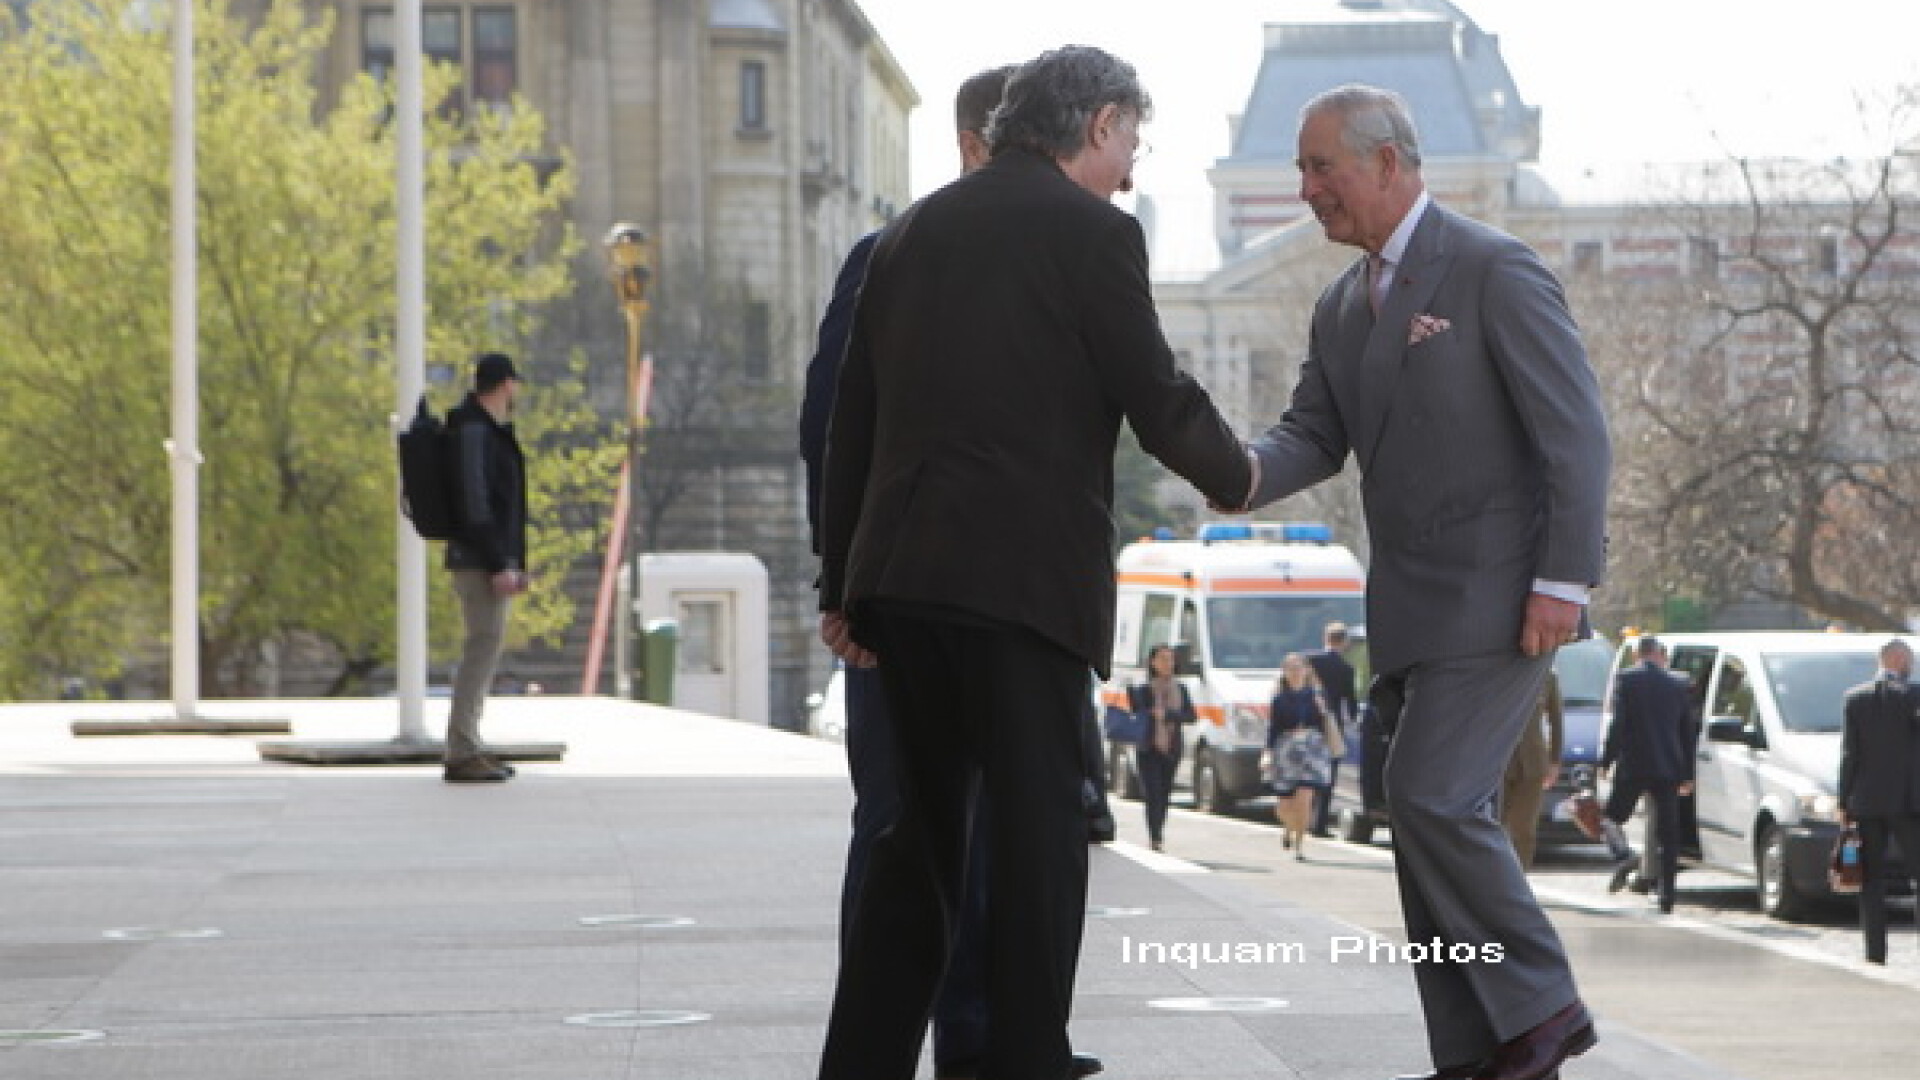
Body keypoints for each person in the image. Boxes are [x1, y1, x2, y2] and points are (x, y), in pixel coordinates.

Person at [814, 45, 1253, 1080]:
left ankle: (860, 1065)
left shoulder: (912, 231)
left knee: (911, 844)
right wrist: (1237, 476)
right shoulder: (1094, 234)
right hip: (1020, 591)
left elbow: (852, 422)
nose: (1132, 171)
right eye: (1130, 143)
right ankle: (1025, 1057)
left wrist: (842, 584)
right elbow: (1157, 394)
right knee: (1039, 835)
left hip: (904, 584)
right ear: (1097, 124)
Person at [1241, 84, 1611, 1080]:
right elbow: (1310, 436)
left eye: (1323, 168)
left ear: (1389, 165)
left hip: (1503, 600)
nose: (1307, 189)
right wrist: (1226, 470)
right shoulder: (1338, 304)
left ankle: (1544, 1007)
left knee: (1433, 798)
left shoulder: (1494, 269)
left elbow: (1574, 434)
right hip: (1406, 609)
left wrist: (1563, 582)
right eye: (1301, 171)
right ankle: (1477, 1050)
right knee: (1414, 822)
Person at [800, 64, 1106, 1080]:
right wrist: (845, 589)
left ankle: (985, 1047)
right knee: (912, 837)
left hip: (983, 598)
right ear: (984, 145)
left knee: (986, 838)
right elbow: (837, 429)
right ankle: (939, 1050)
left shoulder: (1029, 255)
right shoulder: (893, 253)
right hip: (907, 611)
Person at [442, 352, 530, 785]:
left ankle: (468, 743)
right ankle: (461, 748)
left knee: (485, 646)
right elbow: (477, 502)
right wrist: (499, 563)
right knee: (482, 647)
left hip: (484, 557)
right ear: (506, 385)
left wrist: (512, 561)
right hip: (478, 559)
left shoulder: (479, 429)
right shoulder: (475, 431)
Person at [1838, 638, 1920, 965]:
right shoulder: (1914, 696)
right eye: (1910, 659)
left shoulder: (1854, 699)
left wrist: (1843, 800)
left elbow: (1849, 755)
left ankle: (1874, 952)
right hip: (1909, 801)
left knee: (1870, 879)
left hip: (1867, 801)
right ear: (1898, 659)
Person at [1597, 637, 1693, 912]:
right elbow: (1687, 732)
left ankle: (1623, 856)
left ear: (1637, 655)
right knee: (1668, 833)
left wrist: (1607, 760)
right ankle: (1667, 894)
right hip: (1668, 766)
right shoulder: (1678, 684)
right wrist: (1687, 774)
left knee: (1612, 818)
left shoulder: (1626, 680)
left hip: (1634, 765)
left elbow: (1619, 725)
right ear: (1660, 654)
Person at [1267, 652, 1337, 861]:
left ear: (1307, 671)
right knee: (1285, 805)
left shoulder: (1317, 695)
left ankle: (1300, 845)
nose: (1296, 672)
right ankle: (1289, 827)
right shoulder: (1279, 699)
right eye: (1291, 668)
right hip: (1286, 750)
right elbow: (1273, 729)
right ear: (1285, 673)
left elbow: (1327, 722)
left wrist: (1324, 710)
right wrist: (1267, 753)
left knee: (1305, 798)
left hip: (1312, 749)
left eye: (1299, 668)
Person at [1127, 644, 1194, 852]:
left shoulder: (1181, 688)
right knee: (1152, 793)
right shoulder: (1143, 688)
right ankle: (1154, 837)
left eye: (1170, 659)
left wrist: (1167, 715)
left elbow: (1191, 716)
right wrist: (1146, 708)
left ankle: (1159, 832)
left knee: (1164, 794)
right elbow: (1136, 714)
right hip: (1148, 747)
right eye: (1163, 659)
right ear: (1153, 662)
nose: (1168, 664)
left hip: (1171, 747)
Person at [1501, 670, 1564, 870]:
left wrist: (1555, 760)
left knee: (1525, 829)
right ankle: (1492, 882)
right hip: (1497, 762)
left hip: (1532, 764)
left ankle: (1519, 881)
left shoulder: (1547, 676)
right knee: (1493, 827)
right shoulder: (1496, 671)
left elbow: (1557, 720)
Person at [1306, 621, 1358, 837]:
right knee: (1328, 775)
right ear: (1344, 642)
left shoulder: (1310, 661)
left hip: (1308, 724)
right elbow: (1351, 701)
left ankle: (1304, 818)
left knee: (1307, 772)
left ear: (1325, 638)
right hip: (1332, 726)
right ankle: (1319, 824)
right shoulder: (1346, 669)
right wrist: (1353, 720)